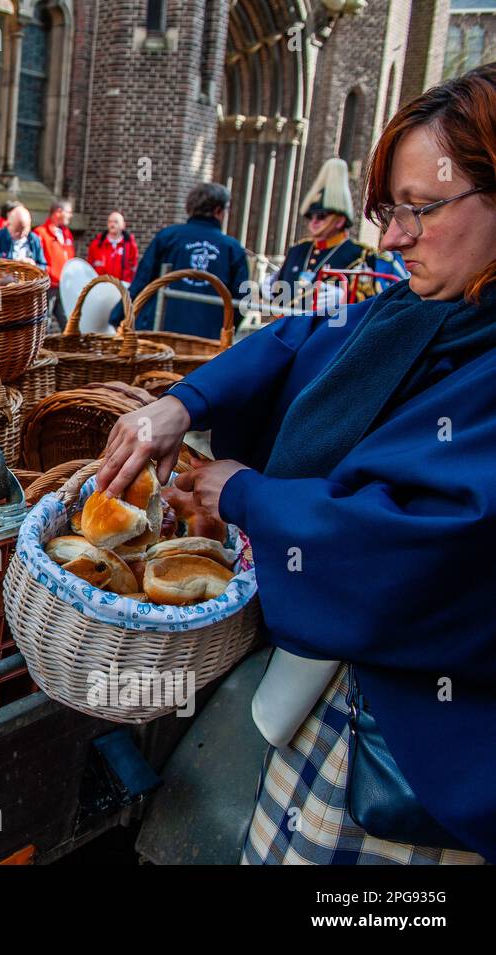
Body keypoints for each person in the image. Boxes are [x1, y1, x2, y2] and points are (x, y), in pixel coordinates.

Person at [96, 65, 496, 864]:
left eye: (420, 208)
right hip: (329, 705)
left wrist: (246, 493)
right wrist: (183, 403)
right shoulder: (426, 311)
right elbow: (303, 341)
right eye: (390, 210)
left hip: (417, 756)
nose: (392, 238)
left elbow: (414, 543)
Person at [265, 158, 407, 312]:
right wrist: (270, 288)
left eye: (321, 216)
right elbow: (283, 293)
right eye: (310, 216)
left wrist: (345, 297)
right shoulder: (298, 250)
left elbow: (375, 301)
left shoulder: (361, 255)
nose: (314, 221)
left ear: (339, 221)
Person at [114, 183, 249, 337]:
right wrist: (227, 330)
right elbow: (242, 299)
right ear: (218, 211)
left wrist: (118, 316)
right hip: (208, 338)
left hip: (161, 331)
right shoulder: (232, 248)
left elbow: (142, 281)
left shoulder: (167, 237)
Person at [34, 198, 76, 330]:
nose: (71, 215)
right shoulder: (41, 233)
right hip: (49, 286)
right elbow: (37, 261)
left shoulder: (67, 234)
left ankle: (69, 350)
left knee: (68, 321)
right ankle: (41, 350)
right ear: (59, 212)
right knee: (44, 322)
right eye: (68, 212)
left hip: (64, 287)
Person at [87, 211, 139, 284]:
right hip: (100, 288)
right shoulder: (97, 244)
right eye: (110, 222)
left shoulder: (130, 245)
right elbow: (89, 267)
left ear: (123, 225)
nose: (112, 224)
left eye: (116, 222)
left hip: (122, 288)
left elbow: (134, 269)